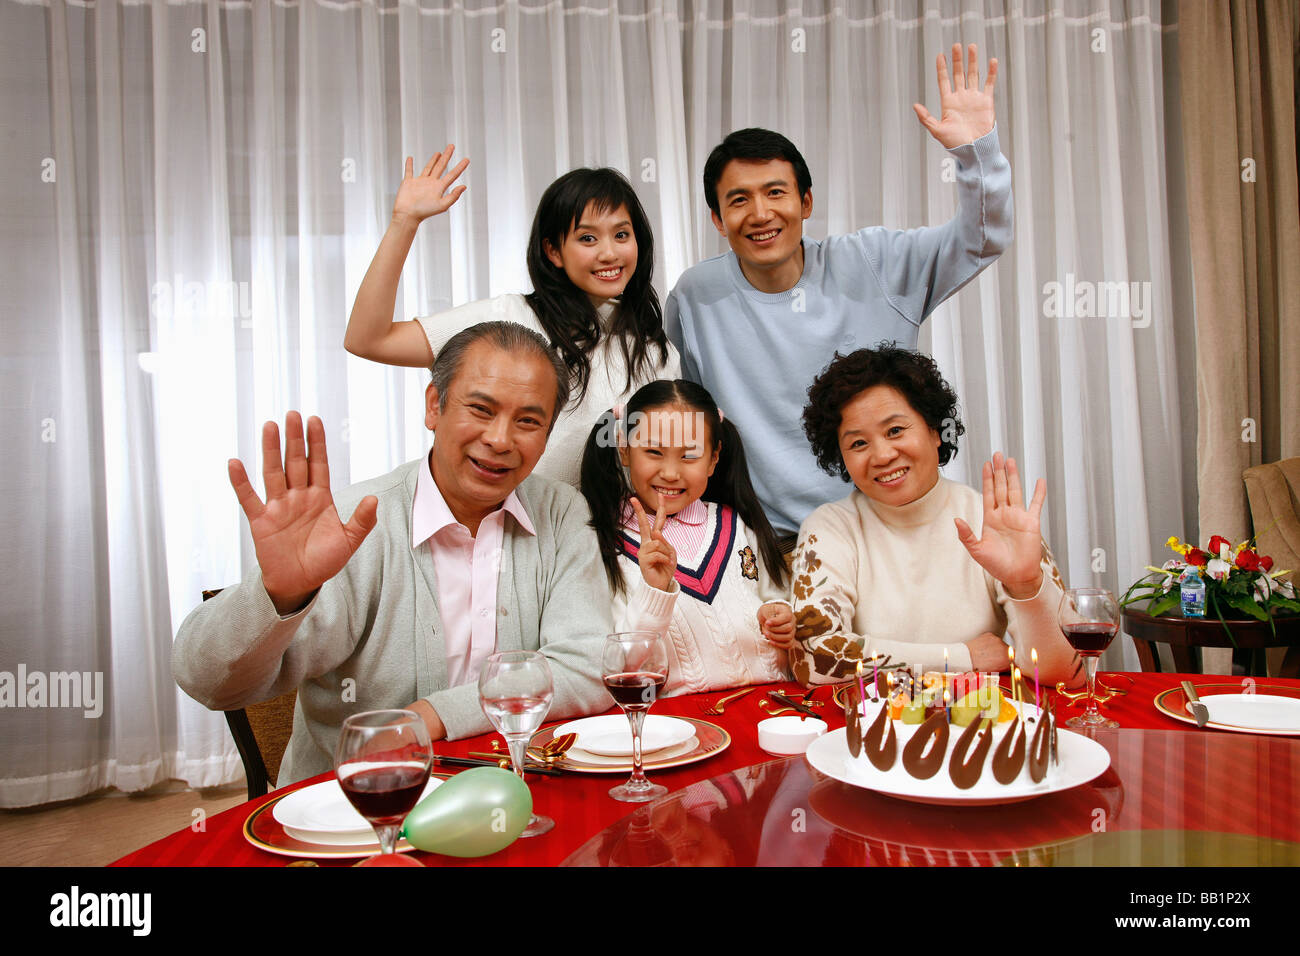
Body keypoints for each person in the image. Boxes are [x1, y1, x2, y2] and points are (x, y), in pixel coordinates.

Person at [173, 322, 613, 786]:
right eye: (481, 409)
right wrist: (278, 594)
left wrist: (432, 716)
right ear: (434, 405)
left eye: (528, 421)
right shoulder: (351, 523)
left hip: (510, 789)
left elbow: (585, 667)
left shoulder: (561, 512)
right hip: (355, 805)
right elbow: (207, 682)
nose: (501, 440)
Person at [665, 44, 1011, 540]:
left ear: (806, 202)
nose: (761, 214)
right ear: (718, 220)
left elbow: (983, 239)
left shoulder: (876, 262)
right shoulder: (696, 295)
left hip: (886, 528)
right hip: (767, 544)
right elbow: (698, 417)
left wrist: (977, 155)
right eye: (739, 200)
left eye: (776, 192)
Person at [345, 150, 679, 487]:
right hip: (517, 532)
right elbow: (368, 339)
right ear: (553, 251)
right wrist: (404, 223)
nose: (609, 252)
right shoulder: (509, 318)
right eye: (587, 238)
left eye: (621, 235)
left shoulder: (657, 350)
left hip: (616, 537)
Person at [789, 344, 1083, 687]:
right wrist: (963, 656)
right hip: (874, 729)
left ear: (935, 431)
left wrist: (1026, 585)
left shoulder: (989, 520)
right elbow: (814, 658)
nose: (882, 455)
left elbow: (1068, 675)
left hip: (978, 724)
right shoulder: (830, 528)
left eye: (895, 430)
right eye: (858, 444)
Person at [579, 380, 792, 695]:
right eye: (653, 451)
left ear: (714, 458)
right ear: (624, 450)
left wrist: (781, 614)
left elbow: (776, 594)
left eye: (689, 455)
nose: (670, 472)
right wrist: (654, 590)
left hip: (773, 703)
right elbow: (620, 666)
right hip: (675, 722)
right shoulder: (603, 544)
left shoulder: (735, 525)